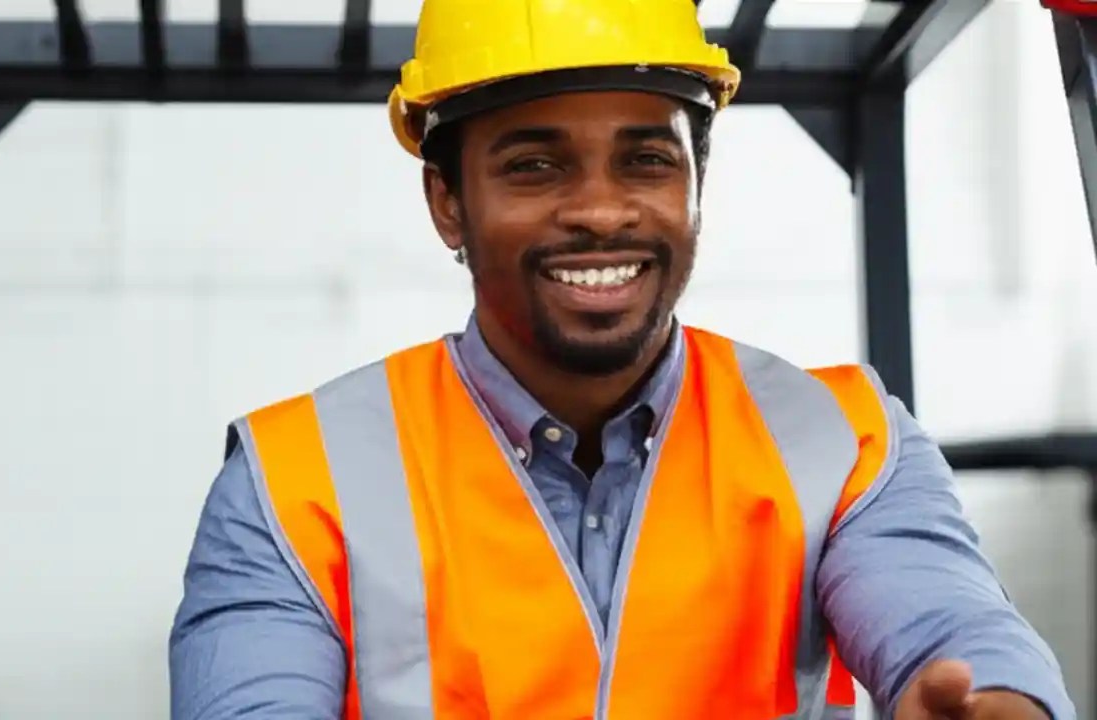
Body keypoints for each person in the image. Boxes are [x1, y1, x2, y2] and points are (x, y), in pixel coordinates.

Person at [168, 1, 1076, 718]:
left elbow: (950, 620)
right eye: (534, 166)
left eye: (646, 160)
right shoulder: (292, 482)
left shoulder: (842, 438)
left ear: (697, 186)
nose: (602, 211)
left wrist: (998, 694)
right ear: (447, 201)